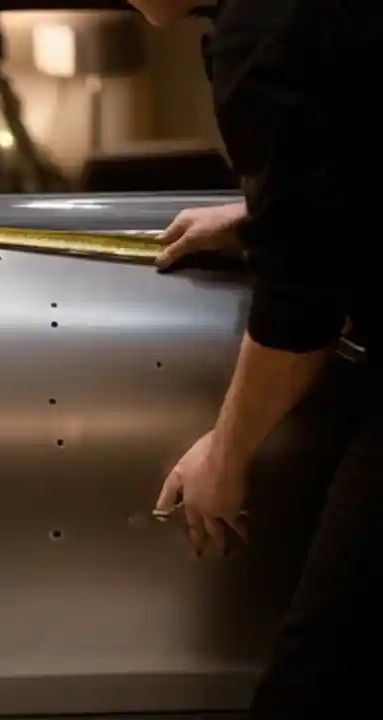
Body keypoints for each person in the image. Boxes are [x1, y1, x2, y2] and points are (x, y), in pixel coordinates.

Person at [128, 0, 382, 716]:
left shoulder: (267, 36)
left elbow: (301, 309)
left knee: (320, 683)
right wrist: (260, 217)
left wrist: (226, 454)